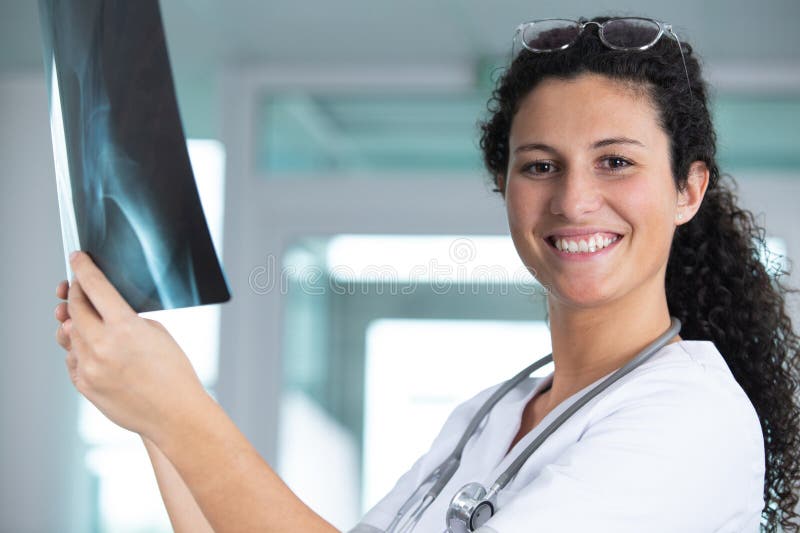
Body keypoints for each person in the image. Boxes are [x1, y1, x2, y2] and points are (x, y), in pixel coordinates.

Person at [53, 15, 800, 533]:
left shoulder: (692, 420)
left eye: (616, 162)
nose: (574, 199)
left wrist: (181, 407)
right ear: (505, 187)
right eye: (539, 165)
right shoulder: (489, 414)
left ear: (688, 189)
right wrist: (149, 412)